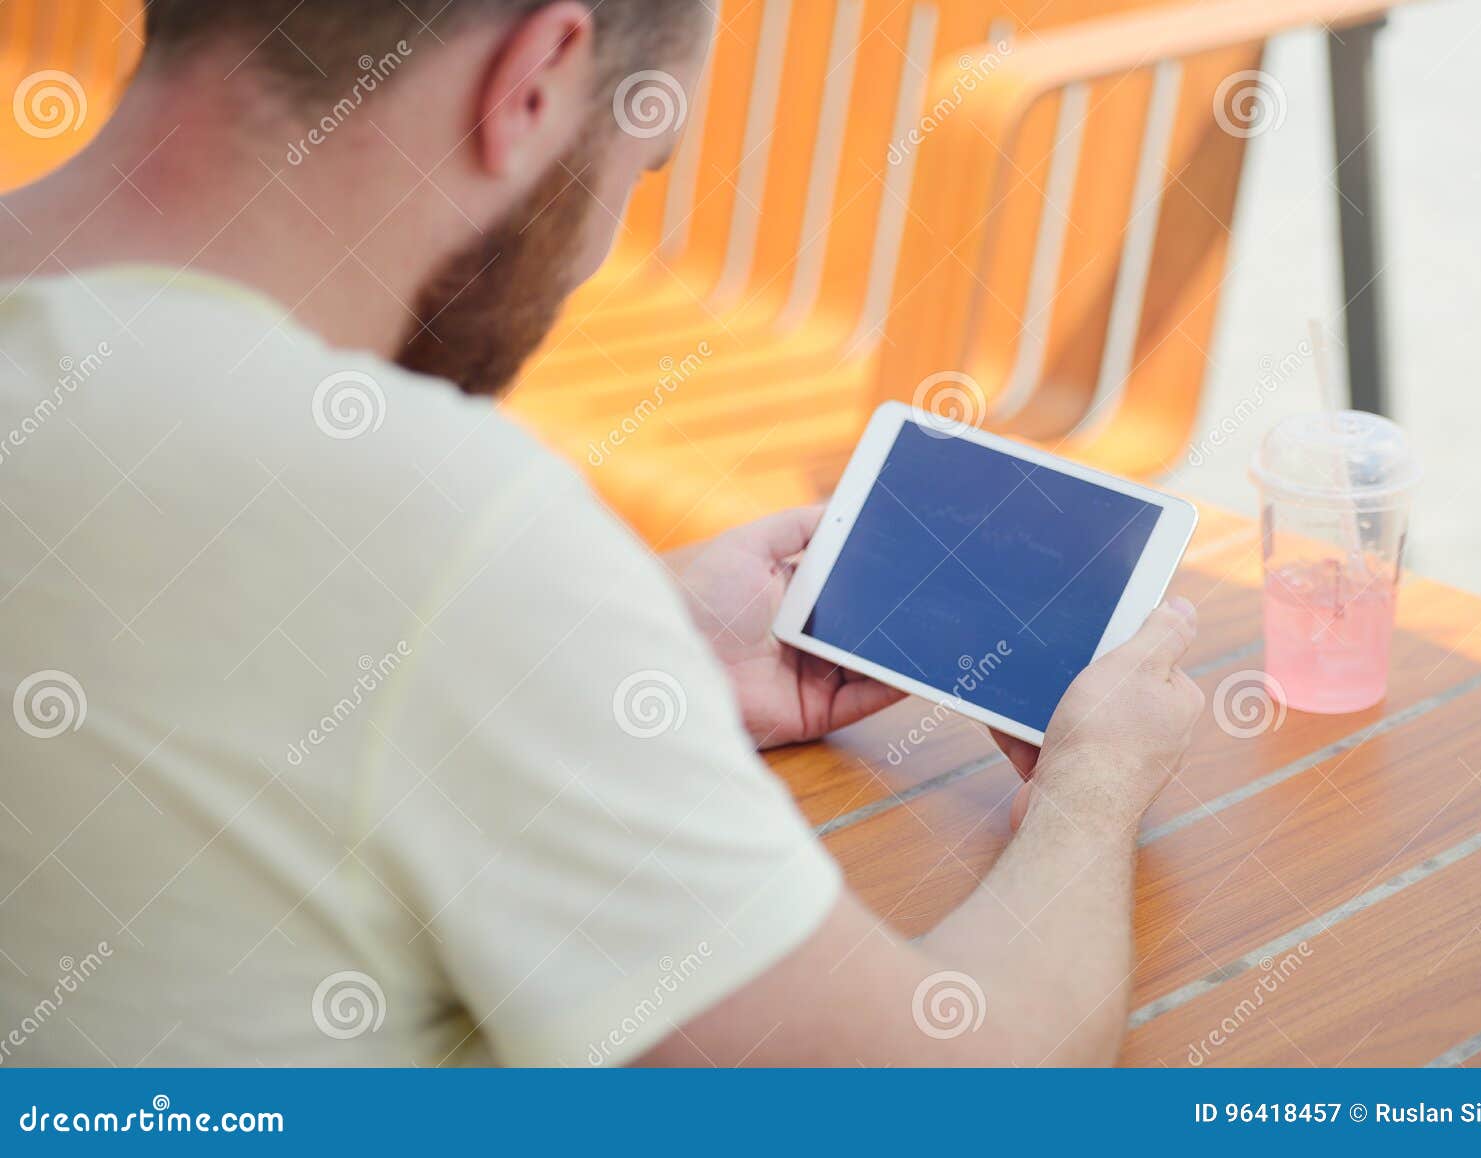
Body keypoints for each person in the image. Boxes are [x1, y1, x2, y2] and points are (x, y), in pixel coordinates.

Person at [0, 0, 1203, 1067]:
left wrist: (599, 644)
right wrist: (1094, 788)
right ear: (535, 80)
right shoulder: (436, 525)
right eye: (644, 162)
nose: (595, 246)